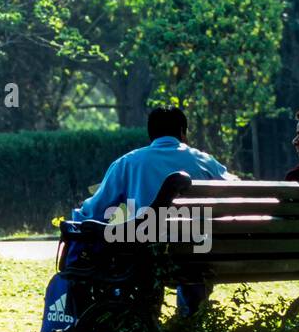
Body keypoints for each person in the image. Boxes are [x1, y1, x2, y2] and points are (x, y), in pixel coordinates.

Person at [72, 107, 232, 316]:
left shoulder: (128, 162)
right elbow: (236, 196)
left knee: (136, 245)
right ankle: (191, 317)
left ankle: (141, 315)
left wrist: (75, 219)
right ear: (182, 132)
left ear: (151, 134)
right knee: (190, 244)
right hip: (200, 253)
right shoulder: (206, 162)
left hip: (144, 254)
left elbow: (94, 211)